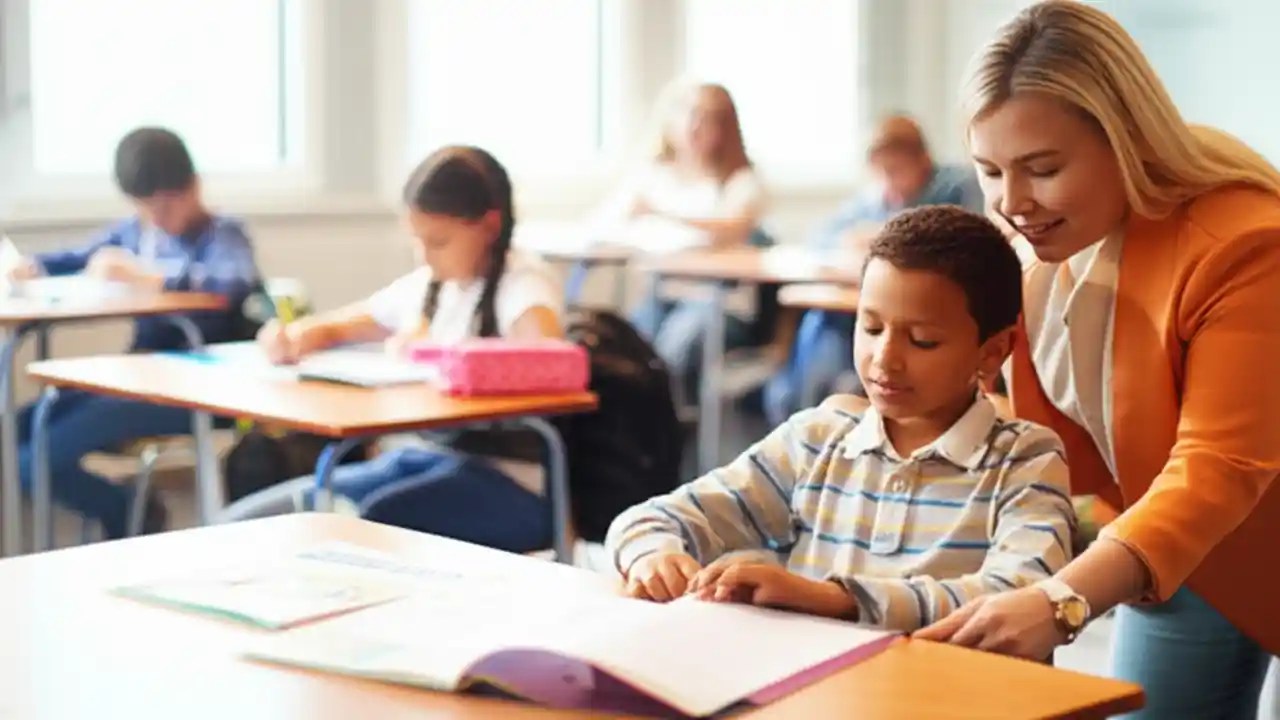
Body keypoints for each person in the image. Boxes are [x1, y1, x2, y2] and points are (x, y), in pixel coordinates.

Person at [913, 3, 1280, 717]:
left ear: (1126, 140)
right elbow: (1020, 435)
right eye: (988, 171)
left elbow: (1218, 466)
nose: (1012, 202)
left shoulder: (1242, 244)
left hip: (1224, 518)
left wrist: (1060, 600)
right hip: (1183, 547)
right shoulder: (1048, 250)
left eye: (1042, 169)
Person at [607, 206, 1075, 630]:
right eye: (870, 328)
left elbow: (1020, 595)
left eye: (923, 340)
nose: (884, 359)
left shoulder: (1025, 459)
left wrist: (838, 600)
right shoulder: (816, 442)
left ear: (992, 352)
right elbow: (652, 518)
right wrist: (655, 556)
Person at [227, 145, 564, 553]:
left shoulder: (523, 285)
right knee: (268, 514)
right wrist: (294, 335)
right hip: (428, 459)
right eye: (417, 241)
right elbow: (338, 327)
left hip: (512, 483)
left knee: (368, 525)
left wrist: (438, 355)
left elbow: (551, 363)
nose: (425, 256)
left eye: (438, 241)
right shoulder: (433, 284)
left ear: (489, 226)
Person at [5, 127, 261, 539]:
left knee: (34, 456)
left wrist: (146, 276)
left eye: (167, 207)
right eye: (149, 210)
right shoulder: (137, 233)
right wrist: (32, 265)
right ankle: (126, 509)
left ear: (193, 186)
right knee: (15, 429)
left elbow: (229, 285)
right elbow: (76, 257)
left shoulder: (223, 235)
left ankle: (125, 513)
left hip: (194, 389)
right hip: (132, 380)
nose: (159, 219)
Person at [763, 115, 982, 425]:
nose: (888, 181)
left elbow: (974, 242)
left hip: (924, 309)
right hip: (855, 309)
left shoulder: (955, 187)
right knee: (818, 328)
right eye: (880, 172)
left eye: (895, 170)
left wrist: (885, 231)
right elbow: (823, 237)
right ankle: (802, 421)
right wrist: (851, 238)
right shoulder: (876, 198)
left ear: (922, 159)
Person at [593, 80, 768, 402]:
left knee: (673, 351)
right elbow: (605, 226)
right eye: (690, 114)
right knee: (621, 352)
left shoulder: (740, 180)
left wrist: (660, 213)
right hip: (660, 294)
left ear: (726, 128)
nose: (696, 126)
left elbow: (732, 227)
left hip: (718, 302)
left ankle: (670, 434)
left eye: (709, 119)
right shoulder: (652, 173)